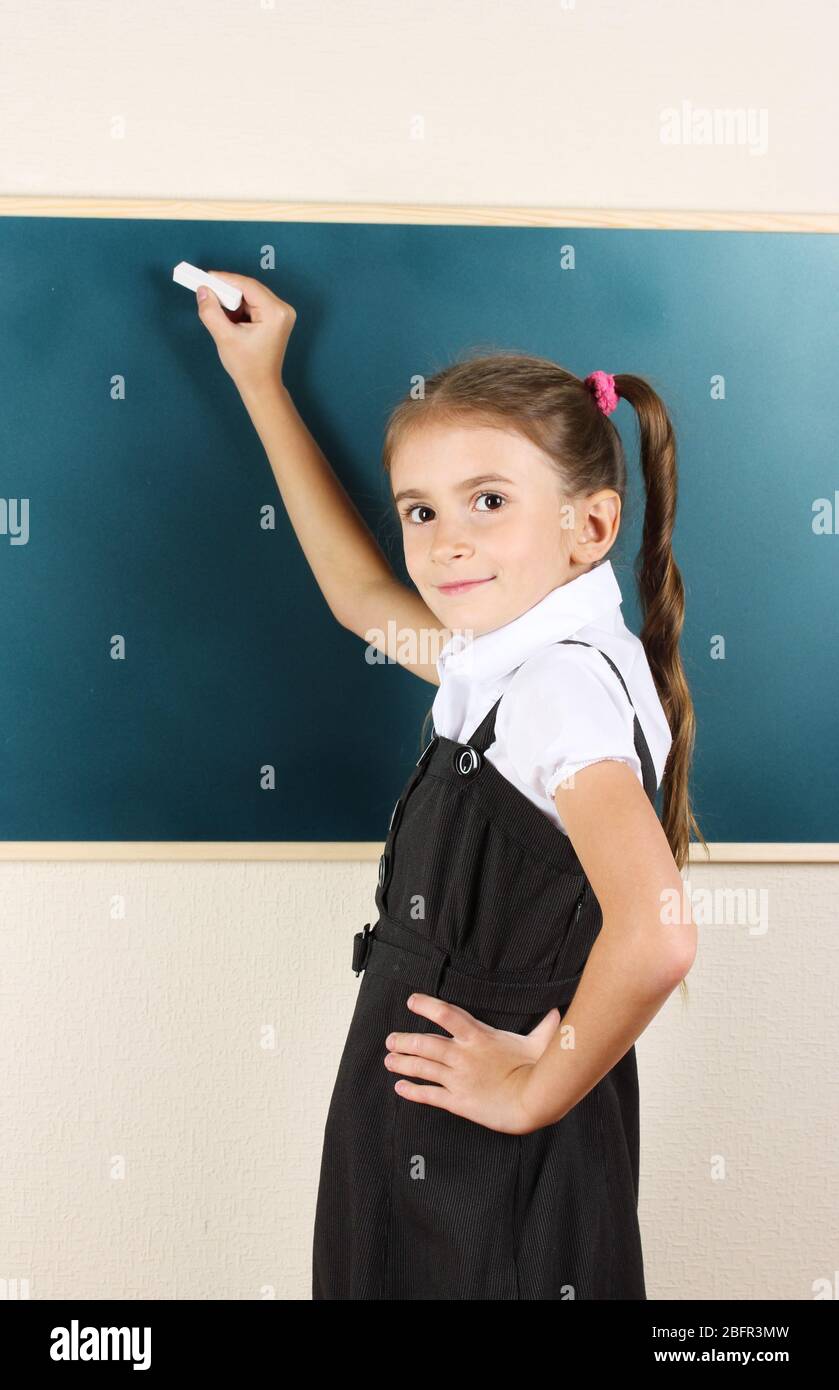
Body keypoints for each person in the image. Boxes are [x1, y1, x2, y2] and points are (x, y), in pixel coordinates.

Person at [196, 273, 702, 1300]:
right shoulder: (514, 658)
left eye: (487, 500)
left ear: (589, 527)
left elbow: (655, 933)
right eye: (419, 510)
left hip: (486, 1162)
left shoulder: (557, 685)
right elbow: (357, 597)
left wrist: (530, 1093)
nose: (446, 539)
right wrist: (260, 382)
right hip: (438, 1140)